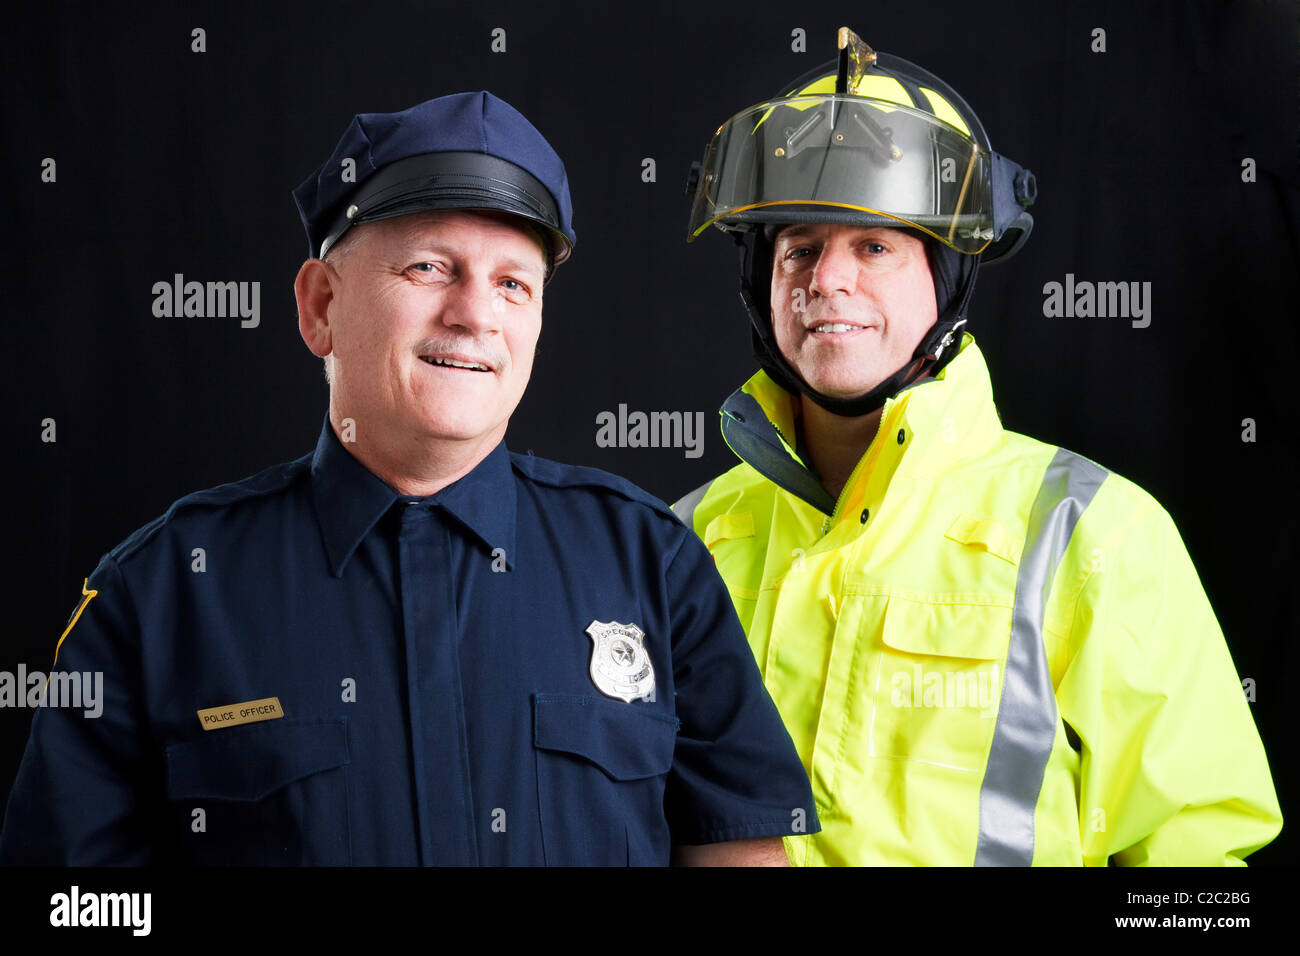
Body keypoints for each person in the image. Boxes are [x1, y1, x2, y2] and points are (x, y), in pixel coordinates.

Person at [0, 91, 816, 866]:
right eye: (430, 268)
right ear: (321, 305)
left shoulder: (654, 564)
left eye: (512, 284)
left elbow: (738, 844)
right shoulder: (161, 593)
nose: (475, 313)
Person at [674, 28, 1281, 865]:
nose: (828, 281)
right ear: (762, 284)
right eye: (799, 249)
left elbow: (1198, 866)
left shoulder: (1089, 532)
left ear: (948, 277)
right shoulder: (683, 540)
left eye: (875, 246)